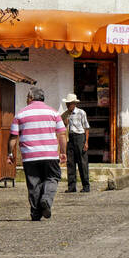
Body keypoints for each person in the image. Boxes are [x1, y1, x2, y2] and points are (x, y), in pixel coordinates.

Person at [9, 87, 67, 220]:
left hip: (30, 156)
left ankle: (35, 214)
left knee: (33, 183)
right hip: (50, 155)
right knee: (52, 178)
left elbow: (13, 137)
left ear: (30, 98)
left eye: (27, 97)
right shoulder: (54, 113)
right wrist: (63, 152)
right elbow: (62, 134)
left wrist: (10, 154)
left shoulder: (20, 114)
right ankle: (46, 199)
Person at [63, 93, 90, 193]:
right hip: (70, 138)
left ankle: (86, 186)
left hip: (80, 137)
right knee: (70, 162)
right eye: (67, 104)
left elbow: (86, 127)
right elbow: (61, 127)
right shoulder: (65, 114)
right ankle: (72, 187)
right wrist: (64, 124)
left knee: (82, 162)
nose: (67, 105)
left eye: (69, 104)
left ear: (74, 104)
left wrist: (86, 142)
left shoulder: (81, 113)